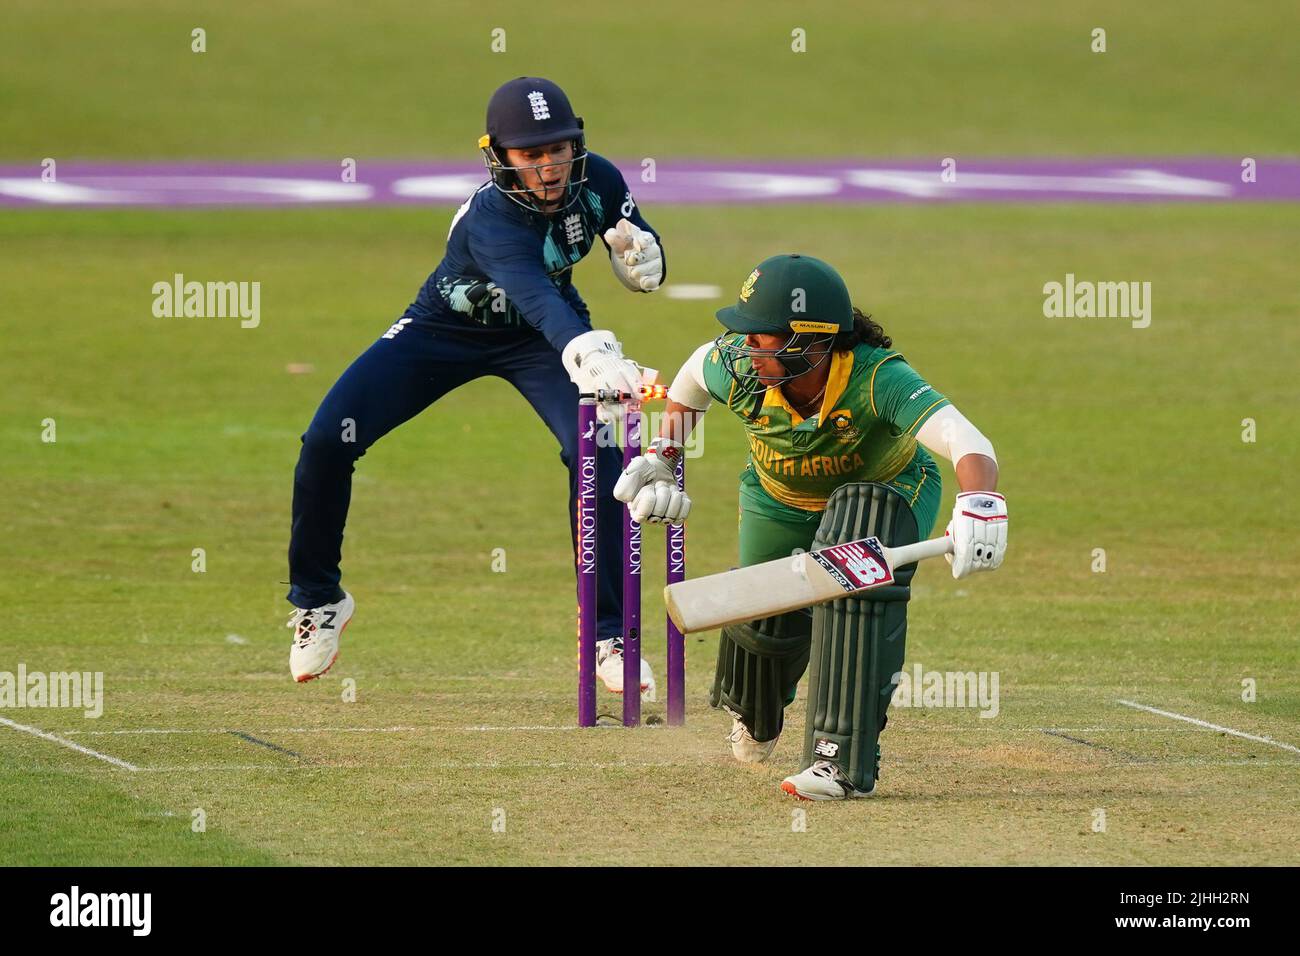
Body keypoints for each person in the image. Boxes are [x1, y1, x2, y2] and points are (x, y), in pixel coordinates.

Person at [285, 77, 666, 694]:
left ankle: (607, 636)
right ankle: (319, 600)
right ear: (500, 157)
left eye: (559, 150)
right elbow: (540, 297)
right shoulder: (491, 218)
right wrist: (589, 352)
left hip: (538, 339)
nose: (548, 167)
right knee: (329, 438)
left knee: (599, 450)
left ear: (577, 144)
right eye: (531, 155)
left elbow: (641, 247)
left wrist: (643, 260)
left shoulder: (599, 181)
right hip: (445, 330)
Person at [614, 254, 1007, 800]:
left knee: (854, 608)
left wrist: (980, 501)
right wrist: (663, 453)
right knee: (762, 624)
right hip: (777, 500)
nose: (749, 348)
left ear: (813, 341)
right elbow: (691, 377)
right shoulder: (737, 364)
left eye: (765, 338)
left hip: (884, 496)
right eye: (747, 336)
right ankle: (757, 714)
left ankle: (838, 762)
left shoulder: (877, 377)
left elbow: (968, 441)